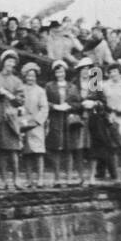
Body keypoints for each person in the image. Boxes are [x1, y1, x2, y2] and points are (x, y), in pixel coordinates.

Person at [0, 50, 25, 191]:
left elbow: (20, 101)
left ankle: (16, 179)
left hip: (11, 119)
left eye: (13, 62)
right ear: (3, 62)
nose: (10, 64)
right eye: (8, 61)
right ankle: (3, 180)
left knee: (13, 151)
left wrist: (8, 94)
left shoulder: (17, 81)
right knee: (1, 150)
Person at [43, 59, 77, 187]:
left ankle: (68, 178)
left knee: (69, 149)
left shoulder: (72, 86)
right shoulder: (49, 86)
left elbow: (78, 103)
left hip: (69, 120)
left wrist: (69, 106)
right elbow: (44, 101)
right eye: (57, 71)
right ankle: (56, 178)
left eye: (62, 71)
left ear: (65, 72)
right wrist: (55, 106)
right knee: (55, 148)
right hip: (55, 119)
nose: (60, 74)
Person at [18, 62, 49, 187]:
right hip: (24, 123)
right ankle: (29, 179)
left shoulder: (40, 91)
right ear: (25, 76)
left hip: (36, 124)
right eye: (28, 75)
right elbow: (19, 104)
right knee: (27, 153)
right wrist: (21, 118)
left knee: (38, 152)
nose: (31, 78)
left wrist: (37, 121)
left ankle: (40, 179)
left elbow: (44, 108)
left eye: (33, 76)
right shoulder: (21, 89)